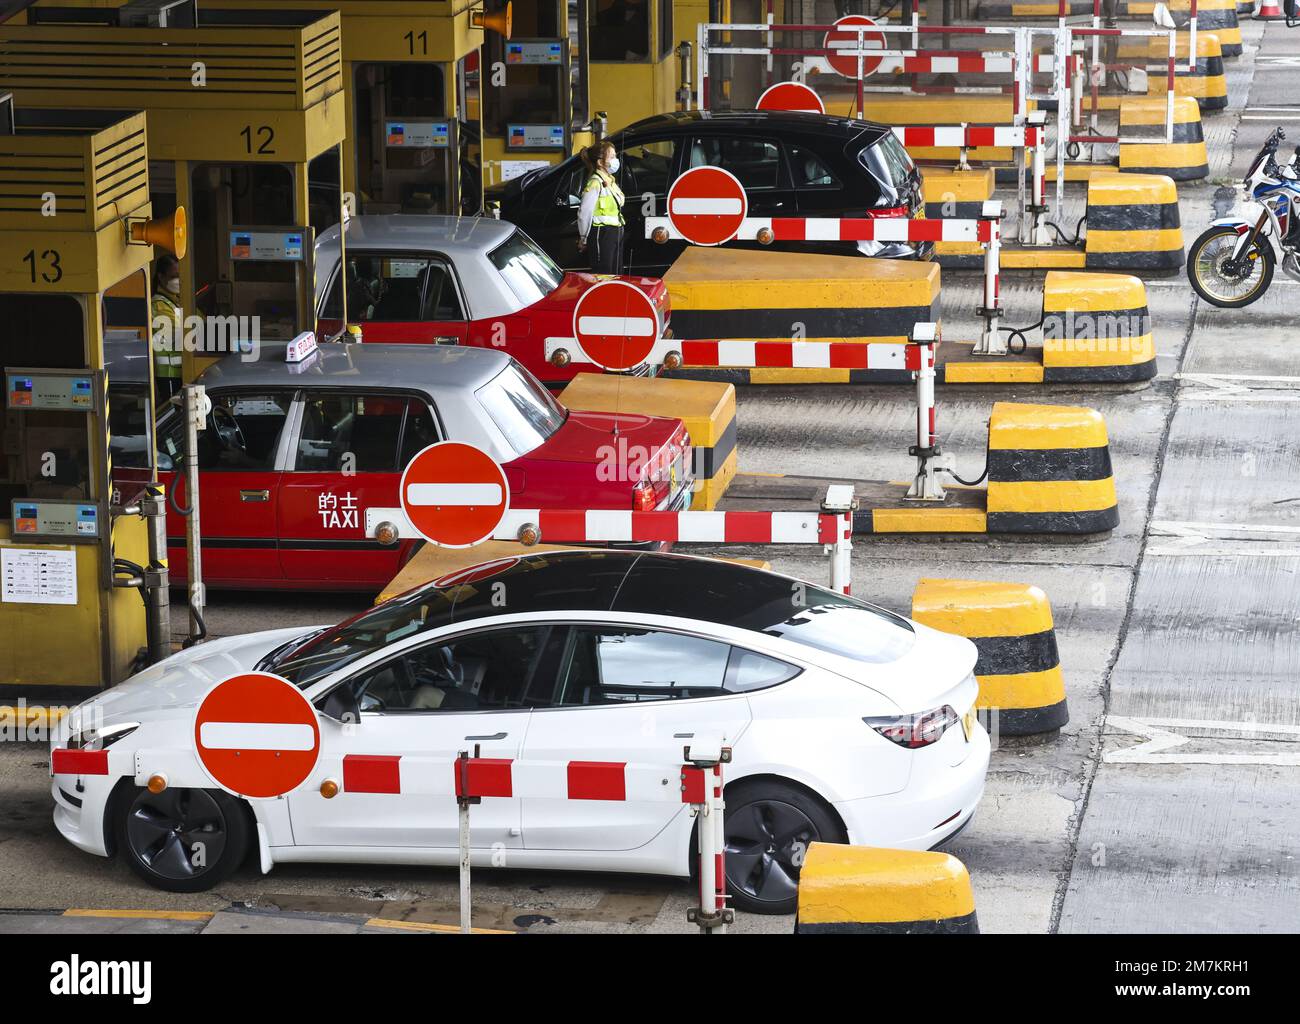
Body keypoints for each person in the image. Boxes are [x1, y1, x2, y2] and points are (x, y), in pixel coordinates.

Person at [576, 140, 626, 275]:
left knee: (616, 274)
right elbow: (584, 213)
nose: (615, 160)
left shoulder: (610, 181)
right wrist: (584, 238)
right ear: (600, 162)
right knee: (603, 274)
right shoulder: (595, 182)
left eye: (615, 156)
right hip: (602, 233)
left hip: (615, 231)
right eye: (611, 157)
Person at [150, 254, 183, 403]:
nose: (178, 280)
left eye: (180, 275)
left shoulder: (177, 301)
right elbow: (180, 334)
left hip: (181, 371)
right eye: (174, 276)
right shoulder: (159, 304)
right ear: (161, 277)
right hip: (168, 375)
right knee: (173, 414)